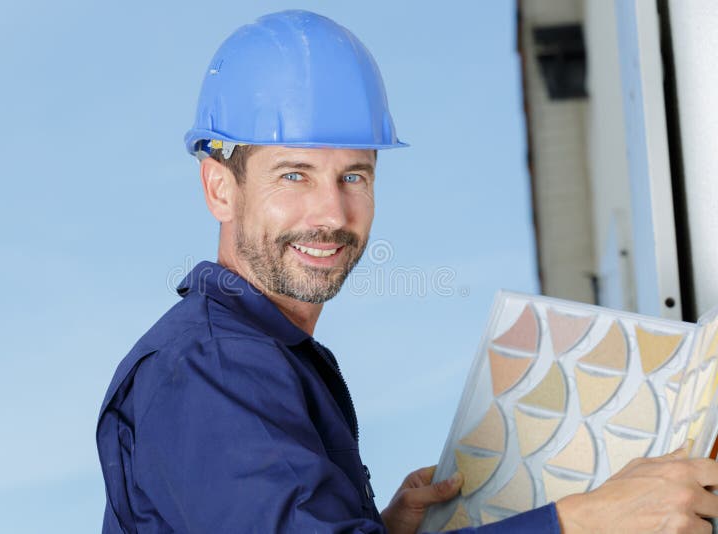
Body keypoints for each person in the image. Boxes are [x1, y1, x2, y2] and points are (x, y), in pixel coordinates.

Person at [96, 10, 718, 533]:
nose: (332, 213)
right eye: (294, 175)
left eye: (354, 176)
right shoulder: (209, 369)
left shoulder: (261, 357)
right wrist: (589, 520)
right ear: (219, 188)